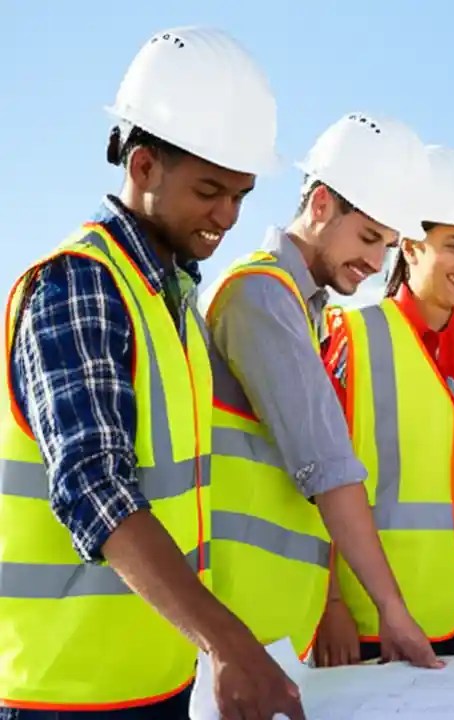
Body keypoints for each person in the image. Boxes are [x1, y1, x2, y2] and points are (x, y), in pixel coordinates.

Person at [0, 26, 307, 720]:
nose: (226, 217)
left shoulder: (170, 297)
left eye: (241, 194)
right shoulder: (79, 285)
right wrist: (230, 644)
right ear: (142, 167)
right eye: (208, 191)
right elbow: (93, 486)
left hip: (162, 678)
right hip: (67, 694)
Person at [199, 112, 447, 672]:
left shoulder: (298, 306)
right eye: (366, 237)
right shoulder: (261, 298)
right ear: (319, 206)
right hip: (239, 625)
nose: (376, 263)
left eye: (386, 244)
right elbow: (329, 469)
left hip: (264, 624)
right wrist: (393, 611)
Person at [315, 144, 454, 664]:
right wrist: (329, 602)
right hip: (381, 624)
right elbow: (319, 479)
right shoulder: (354, 337)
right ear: (411, 247)